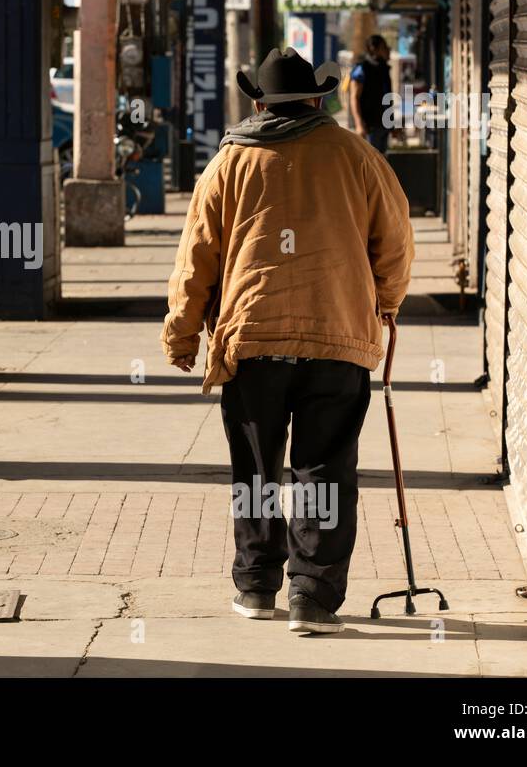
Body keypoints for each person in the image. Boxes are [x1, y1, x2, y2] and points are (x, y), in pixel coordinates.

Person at [161, 47, 414, 635]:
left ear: (257, 101)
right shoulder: (357, 154)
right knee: (324, 470)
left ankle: (255, 587)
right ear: (318, 98)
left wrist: (181, 332)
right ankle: (313, 597)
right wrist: (388, 303)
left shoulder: (230, 162)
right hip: (337, 338)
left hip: (253, 342)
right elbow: (396, 242)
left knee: (256, 469)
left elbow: (196, 255)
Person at [349, 34, 393, 154]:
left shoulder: (383, 69)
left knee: (381, 164)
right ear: (374, 49)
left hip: (383, 125)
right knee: (370, 164)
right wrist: (359, 124)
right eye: (384, 47)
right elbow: (354, 97)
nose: (388, 50)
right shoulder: (362, 69)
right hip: (369, 127)